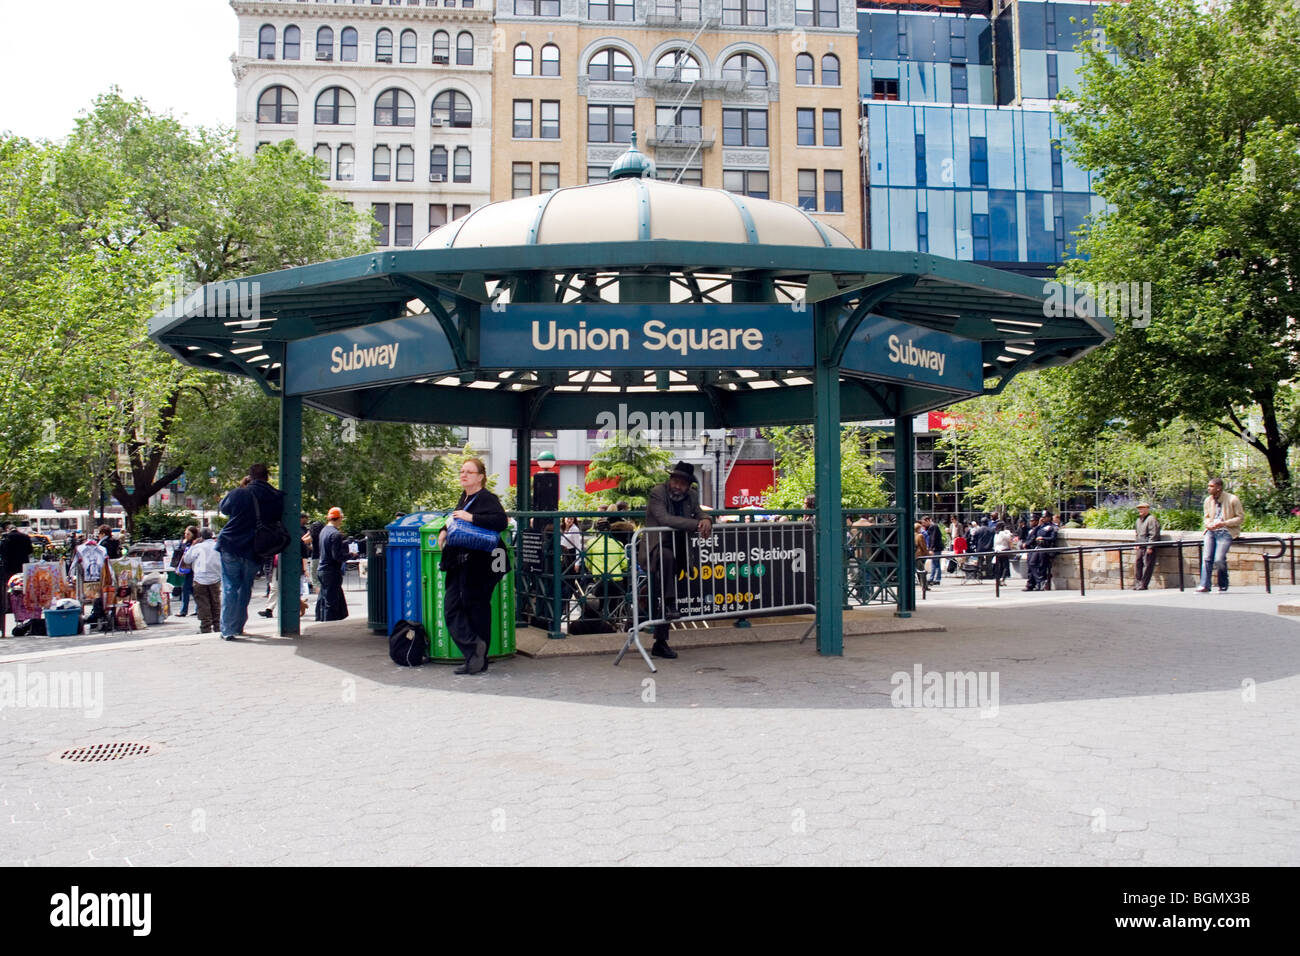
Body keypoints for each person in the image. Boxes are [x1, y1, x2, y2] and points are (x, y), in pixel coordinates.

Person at [438, 458, 509, 675]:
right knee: (452, 607)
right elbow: (455, 520)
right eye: (462, 471)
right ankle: (474, 649)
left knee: (477, 607)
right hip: (461, 562)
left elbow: (501, 522)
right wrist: (443, 530)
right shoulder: (465, 497)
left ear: (480, 477)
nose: (463, 474)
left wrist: (472, 517)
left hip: (484, 562)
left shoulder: (487, 498)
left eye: (469, 471)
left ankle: (477, 660)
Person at [642, 461, 712, 660]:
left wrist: (706, 519)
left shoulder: (692, 496)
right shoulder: (658, 492)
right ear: (670, 479)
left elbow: (699, 511)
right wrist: (696, 524)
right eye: (675, 481)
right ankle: (668, 604)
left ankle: (660, 642)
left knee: (666, 593)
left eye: (682, 483)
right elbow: (664, 519)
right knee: (665, 591)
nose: (677, 486)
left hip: (680, 549)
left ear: (688, 486)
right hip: (657, 548)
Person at [216, 463, 285, 641]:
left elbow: (224, 509)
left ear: (250, 476)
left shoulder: (239, 493)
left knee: (230, 587)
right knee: (245, 587)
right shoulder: (277, 497)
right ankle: (238, 626)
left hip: (232, 544)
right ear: (267, 477)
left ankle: (228, 629)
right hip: (256, 548)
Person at [1197, 477, 1243, 592]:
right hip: (1211, 531)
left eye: (1211, 486)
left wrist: (1224, 523)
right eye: (1208, 486)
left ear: (1219, 487)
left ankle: (1223, 583)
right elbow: (1206, 517)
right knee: (1207, 558)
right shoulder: (1208, 500)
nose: (1208, 488)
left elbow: (1240, 518)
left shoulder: (1232, 499)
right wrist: (1208, 524)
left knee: (1219, 559)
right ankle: (1205, 585)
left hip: (1226, 531)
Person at [183, 528, 222, 634]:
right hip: (216, 578)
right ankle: (218, 626)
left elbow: (187, 559)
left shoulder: (198, 547)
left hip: (200, 579)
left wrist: (192, 546)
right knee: (216, 603)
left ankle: (206, 627)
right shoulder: (218, 546)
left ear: (201, 537)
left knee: (203, 604)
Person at [314, 507, 349, 621]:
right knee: (332, 601)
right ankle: (330, 624)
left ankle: (321, 619)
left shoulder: (323, 531)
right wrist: (350, 555)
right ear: (339, 518)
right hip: (332, 571)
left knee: (323, 598)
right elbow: (337, 556)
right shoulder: (335, 534)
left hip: (322, 569)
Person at [1, 524, 34, 637]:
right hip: (23, 565)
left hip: (9, 567)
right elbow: (30, 551)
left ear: (8, 530)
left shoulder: (6, 538)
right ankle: (24, 605)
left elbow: (2, 552)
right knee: (23, 587)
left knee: (10, 587)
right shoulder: (25, 537)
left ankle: (10, 606)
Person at [1024, 511, 1058, 591]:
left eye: (1045, 517)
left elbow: (1053, 538)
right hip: (1038, 547)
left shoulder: (1052, 527)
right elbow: (1033, 534)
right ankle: (1038, 581)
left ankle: (1041, 582)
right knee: (1031, 564)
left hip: (1045, 548)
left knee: (1041, 566)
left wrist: (1043, 538)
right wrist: (1038, 525)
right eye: (1042, 517)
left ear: (1049, 517)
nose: (1043, 518)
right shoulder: (1041, 527)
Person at [1133, 501, 1161, 590]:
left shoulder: (1151, 519)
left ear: (1147, 509)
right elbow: (1137, 534)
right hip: (1140, 545)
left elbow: (1154, 534)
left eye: (1142, 508)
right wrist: (1136, 543)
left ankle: (1143, 584)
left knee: (1147, 565)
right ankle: (1137, 583)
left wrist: (1150, 546)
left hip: (1148, 546)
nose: (1140, 510)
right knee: (1138, 564)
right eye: (1139, 509)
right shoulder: (1138, 520)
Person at [171, 526, 198, 616]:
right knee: (191, 589)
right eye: (185, 533)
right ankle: (198, 608)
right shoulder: (184, 542)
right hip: (185, 567)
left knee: (186, 588)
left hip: (192, 568)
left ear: (193, 535)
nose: (186, 535)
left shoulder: (195, 544)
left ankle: (184, 610)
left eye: (188, 534)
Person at [923, 515, 944, 585]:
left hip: (935, 548)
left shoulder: (933, 527)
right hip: (937, 547)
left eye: (924, 522)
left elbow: (933, 538)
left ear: (928, 521)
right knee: (936, 564)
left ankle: (932, 578)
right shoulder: (933, 527)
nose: (924, 524)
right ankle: (937, 579)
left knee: (934, 563)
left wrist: (931, 548)